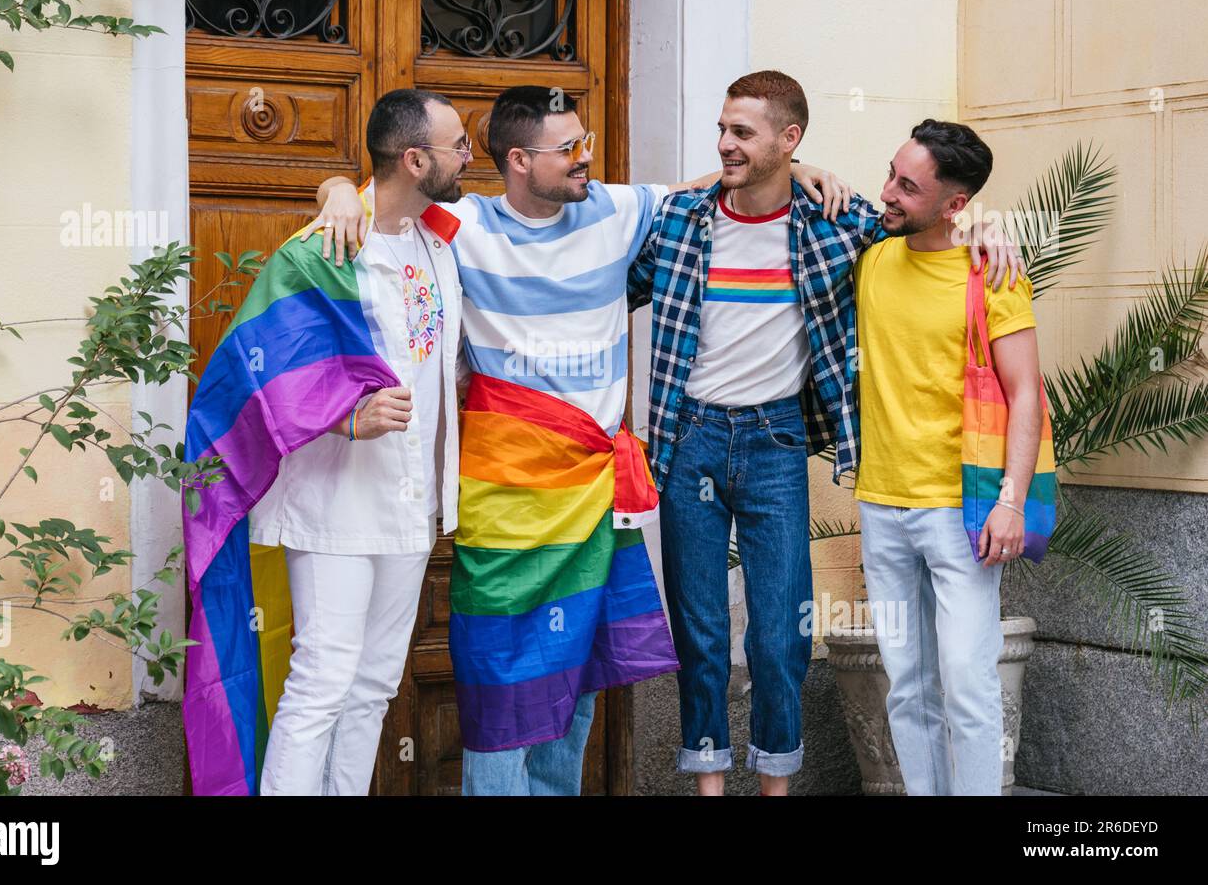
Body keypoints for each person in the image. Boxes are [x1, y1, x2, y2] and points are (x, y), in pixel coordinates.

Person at [311, 85, 856, 795]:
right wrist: (335, 189)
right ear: (516, 161)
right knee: (502, 678)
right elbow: (385, 201)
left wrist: (802, 162)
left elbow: (724, 182)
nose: (586, 158)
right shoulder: (460, 223)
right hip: (506, 496)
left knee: (577, 680)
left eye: (586, 142)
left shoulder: (619, 210)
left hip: (595, 496)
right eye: (568, 149)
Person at [626, 71, 1023, 795]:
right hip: (689, 440)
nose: (724, 144)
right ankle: (709, 781)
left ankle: (777, 782)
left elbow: (928, 223)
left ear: (789, 139)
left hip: (778, 441)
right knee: (702, 628)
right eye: (722, 129)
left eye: (743, 132)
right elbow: (606, 287)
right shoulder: (683, 220)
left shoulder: (840, 227)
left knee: (779, 635)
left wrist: (985, 225)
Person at [249, 88, 470, 795]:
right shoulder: (327, 244)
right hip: (333, 499)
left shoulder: (441, 236)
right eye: (458, 144)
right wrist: (345, 417)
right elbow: (265, 366)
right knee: (321, 679)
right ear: (415, 158)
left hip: (410, 503)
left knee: (374, 683)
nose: (471, 154)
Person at [853, 119, 1044, 795]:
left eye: (908, 185)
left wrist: (1011, 501)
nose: (888, 193)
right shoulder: (872, 255)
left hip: (960, 515)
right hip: (880, 503)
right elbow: (776, 177)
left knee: (966, 684)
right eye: (891, 174)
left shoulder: (991, 271)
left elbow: (1027, 395)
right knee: (906, 685)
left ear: (956, 204)